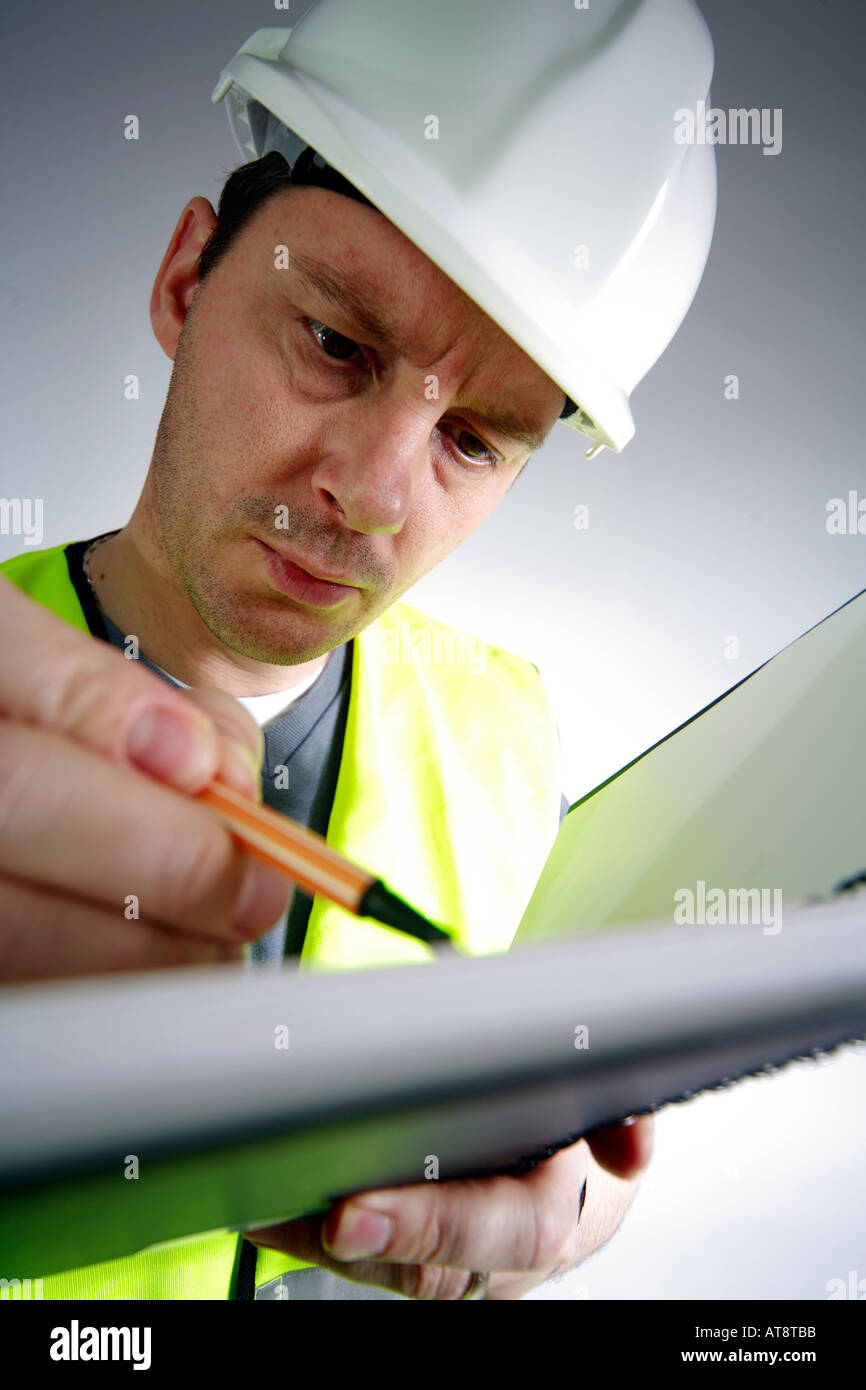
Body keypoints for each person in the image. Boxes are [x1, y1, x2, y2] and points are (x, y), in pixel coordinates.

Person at [0, 0, 716, 1299]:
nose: (375, 494)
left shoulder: (510, 734)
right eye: (336, 343)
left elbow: (539, 1134)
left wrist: (564, 1214)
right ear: (185, 282)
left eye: (475, 439)